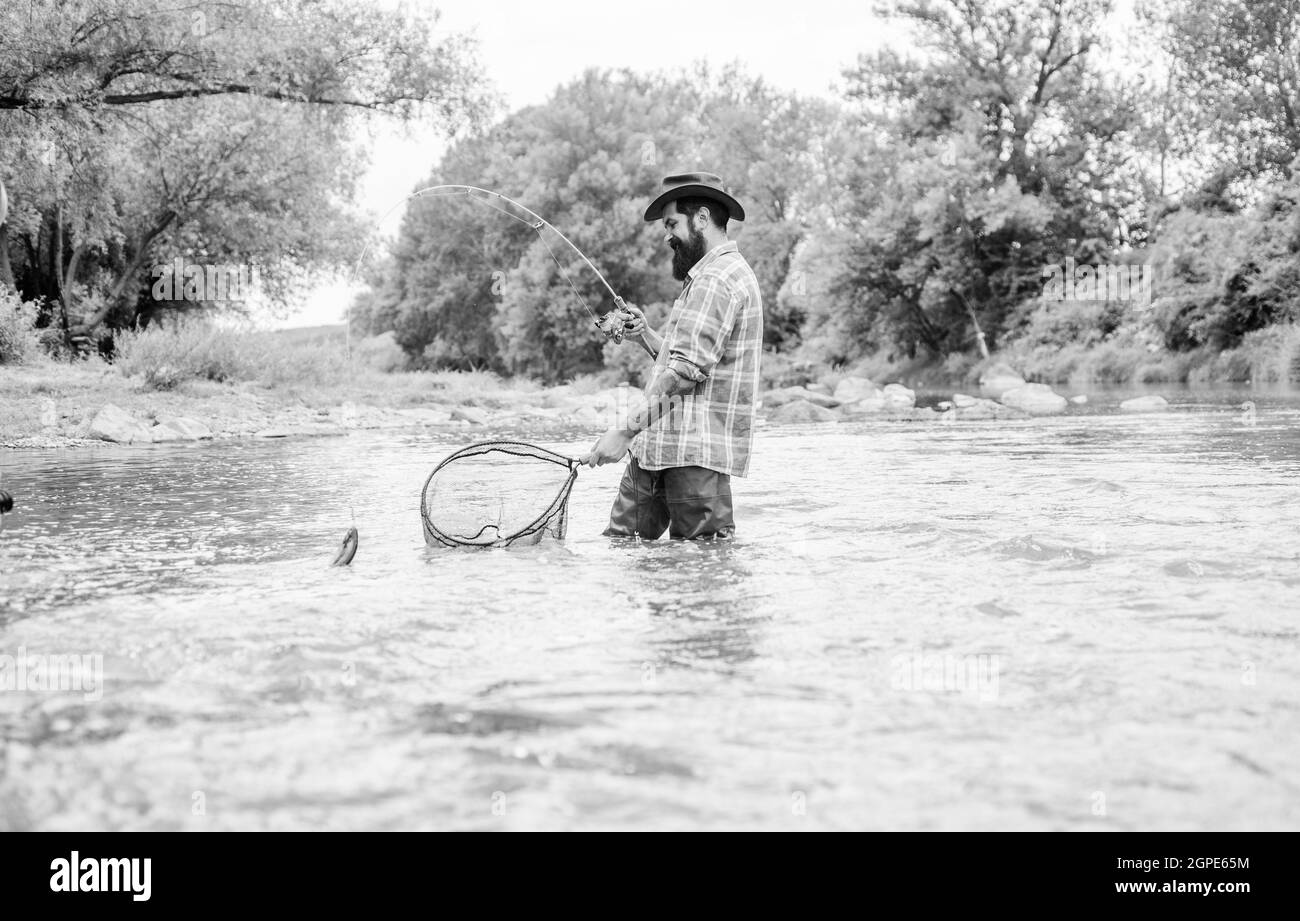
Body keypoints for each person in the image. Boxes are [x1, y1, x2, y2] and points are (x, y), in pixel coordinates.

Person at [580, 172, 763, 540]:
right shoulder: (705, 276)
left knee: (703, 569)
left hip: (695, 460)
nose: (667, 236)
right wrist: (646, 335)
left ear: (702, 218)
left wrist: (623, 431)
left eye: (672, 224)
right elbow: (689, 360)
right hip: (658, 449)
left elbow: (683, 374)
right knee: (624, 548)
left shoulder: (716, 279)